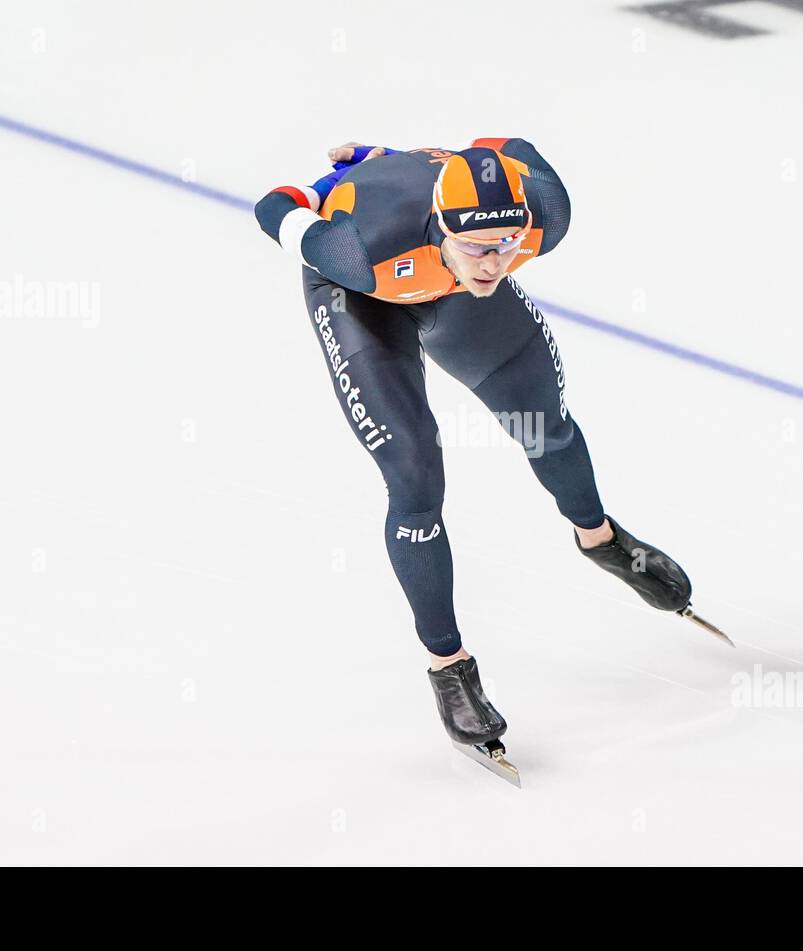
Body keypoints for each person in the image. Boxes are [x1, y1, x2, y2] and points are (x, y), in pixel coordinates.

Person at [255, 139, 698, 772]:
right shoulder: (357, 253)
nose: (494, 263)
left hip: (448, 286)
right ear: (443, 225)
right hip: (368, 300)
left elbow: (506, 147)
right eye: (477, 247)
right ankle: (449, 667)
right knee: (414, 474)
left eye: (506, 246)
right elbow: (275, 205)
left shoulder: (542, 217)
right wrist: (328, 187)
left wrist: (417, 155)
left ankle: (601, 540)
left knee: (544, 423)